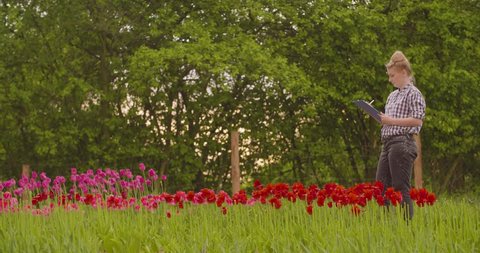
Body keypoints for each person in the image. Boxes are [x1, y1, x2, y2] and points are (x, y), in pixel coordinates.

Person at [376, 51, 426, 220]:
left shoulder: (413, 93)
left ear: (403, 72)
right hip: (388, 144)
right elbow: (391, 120)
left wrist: (391, 120)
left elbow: (418, 121)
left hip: (402, 142)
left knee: (399, 185)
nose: (390, 79)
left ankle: (406, 226)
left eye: (392, 75)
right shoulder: (392, 96)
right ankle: (386, 225)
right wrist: (384, 119)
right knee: (380, 187)